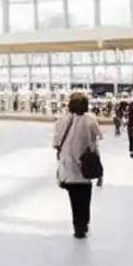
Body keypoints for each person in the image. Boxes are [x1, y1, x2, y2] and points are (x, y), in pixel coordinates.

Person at [52, 92, 101, 239]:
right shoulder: (90, 121)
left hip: (67, 169)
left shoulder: (61, 121)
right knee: (85, 200)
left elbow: (55, 143)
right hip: (84, 168)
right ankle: (83, 225)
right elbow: (96, 139)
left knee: (74, 200)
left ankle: (77, 227)